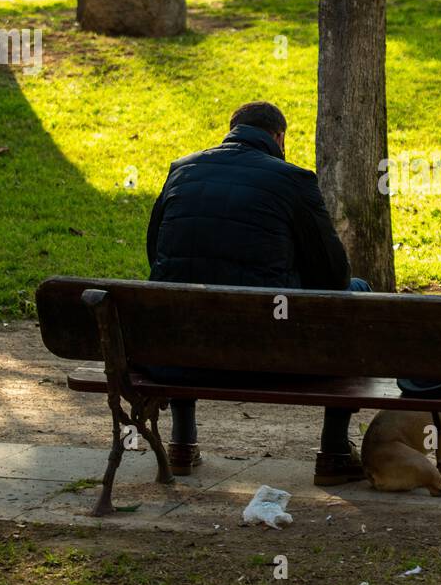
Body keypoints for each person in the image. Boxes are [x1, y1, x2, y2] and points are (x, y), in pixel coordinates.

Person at [144, 100, 369, 485]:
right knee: (356, 292)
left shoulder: (181, 171)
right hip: (271, 355)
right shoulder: (293, 179)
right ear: (279, 137)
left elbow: (156, 256)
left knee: (185, 292)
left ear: (231, 129)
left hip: (179, 354)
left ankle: (182, 443)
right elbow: (334, 277)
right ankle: (333, 451)